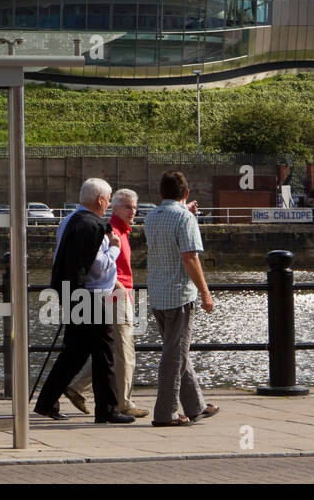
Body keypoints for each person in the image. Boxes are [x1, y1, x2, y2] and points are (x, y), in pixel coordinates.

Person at [34, 178, 135, 424]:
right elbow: (97, 265)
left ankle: (46, 402)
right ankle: (107, 410)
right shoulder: (93, 226)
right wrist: (114, 247)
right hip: (89, 295)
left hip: (71, 292)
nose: (109, 203)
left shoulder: (70, 220)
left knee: (75, 352)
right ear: (100, 200)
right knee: (105, 350)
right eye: (108, 198)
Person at [64, 188, 148, 419]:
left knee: (110, 351)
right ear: (115, 207)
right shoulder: (110, 231)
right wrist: (121, 289)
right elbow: (102, 267)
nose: (133, 211)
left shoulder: (122, 230)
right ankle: (122, 403)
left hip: (119, 294)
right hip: (115, 296)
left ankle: (77, 387)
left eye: (134, 207)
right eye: (128, 207)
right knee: (123, 351)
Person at [143, 170, 219, 427]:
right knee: (174, 357)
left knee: (177, 351)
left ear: (160, 193)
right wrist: (206, 292)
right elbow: (190, 258)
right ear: (185, 193)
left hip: (157, 293)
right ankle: (165, 413)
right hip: (179, 295)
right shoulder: (185, 218)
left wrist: (185, 210)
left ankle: (195, 405)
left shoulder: (151, 217)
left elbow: (169, 224)